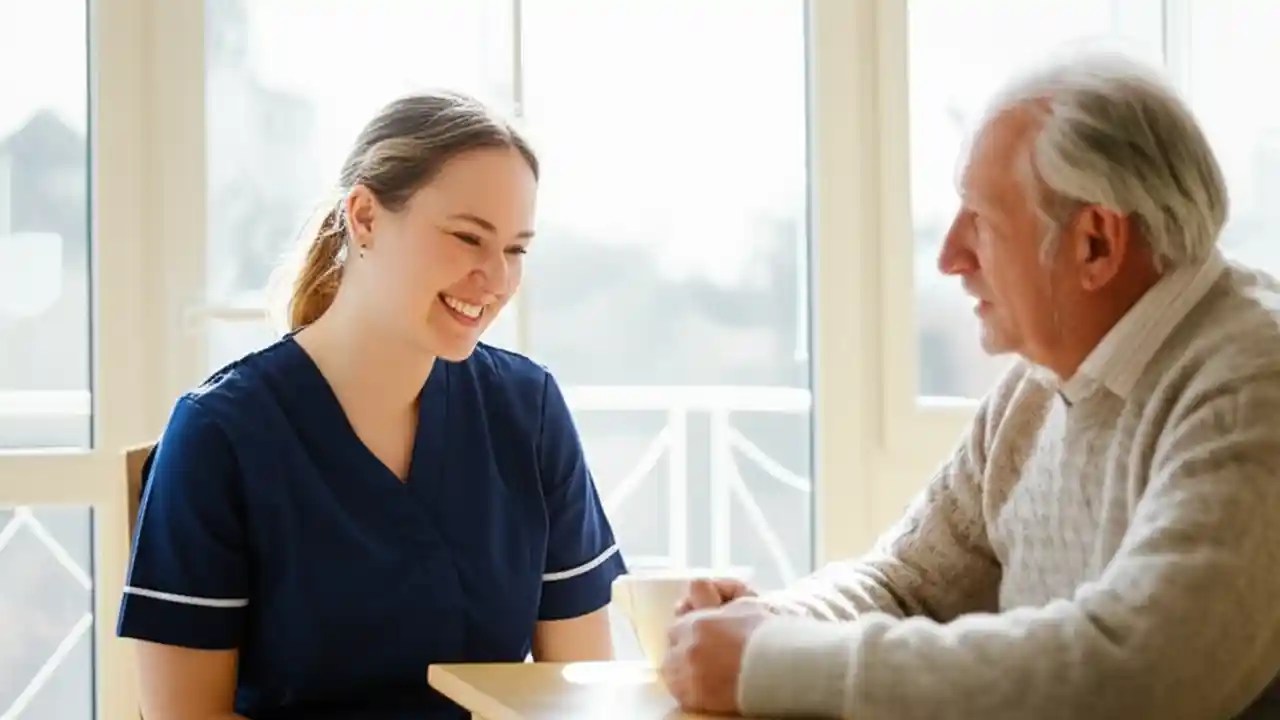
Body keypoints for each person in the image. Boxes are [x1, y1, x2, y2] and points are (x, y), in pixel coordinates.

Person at [662, 51, 1280, 719]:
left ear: (1096, 243)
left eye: (982, 219)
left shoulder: (1254, 383)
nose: (949, 255)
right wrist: (769, 621)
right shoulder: (1037, 386)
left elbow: (1140, 672)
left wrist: (770, 662)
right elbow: (908, 584)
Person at [117, 91, 627, 719]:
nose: (496, 277)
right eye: (469, 237)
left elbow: (578, 693)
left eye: (517, 249)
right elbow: (185, 716)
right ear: (364, 218)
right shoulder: (220, 434)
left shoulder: (528, 410)